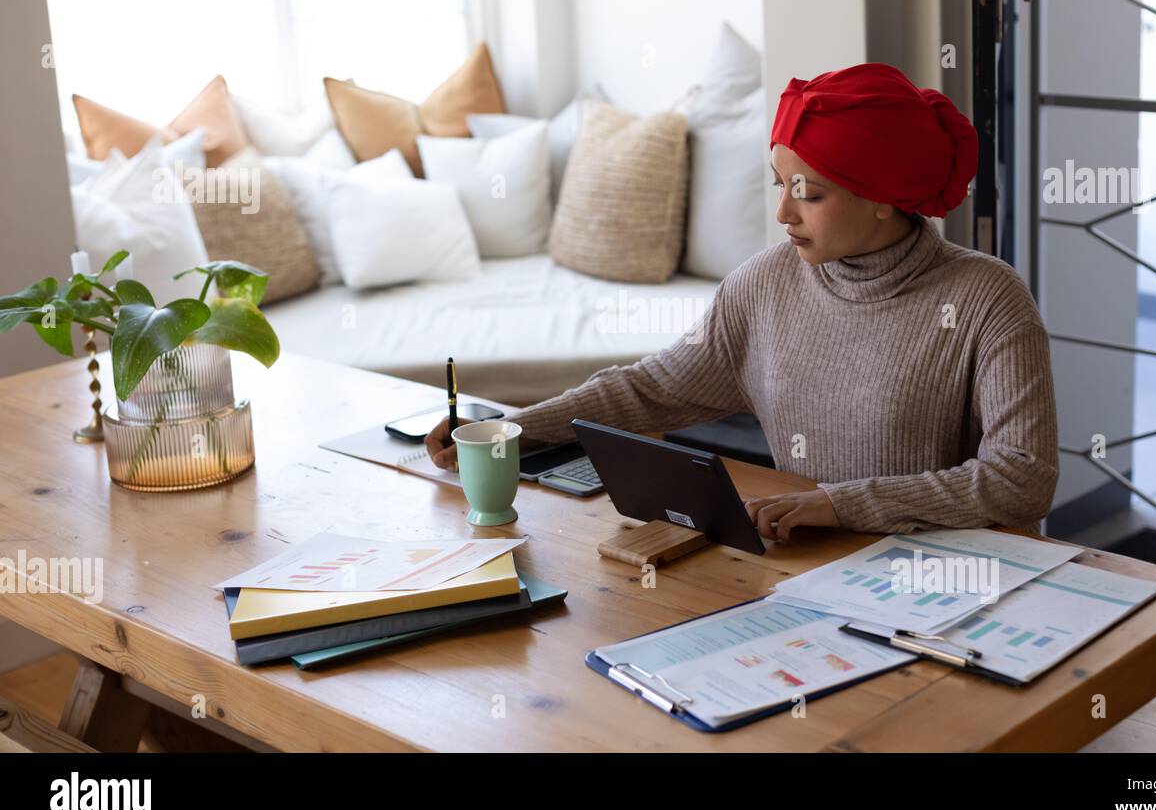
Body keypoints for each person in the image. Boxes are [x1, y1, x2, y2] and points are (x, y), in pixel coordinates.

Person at [427, 63, 1059, 542]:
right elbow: (647, 390)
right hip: (814, 559)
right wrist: (515, 429)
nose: (782, 212)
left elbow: (1022, 477)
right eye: (779, 184)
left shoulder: (987, 298)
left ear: (884, 197)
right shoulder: (764, 284)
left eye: (807, 194)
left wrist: (841, 504)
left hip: (957, 586)